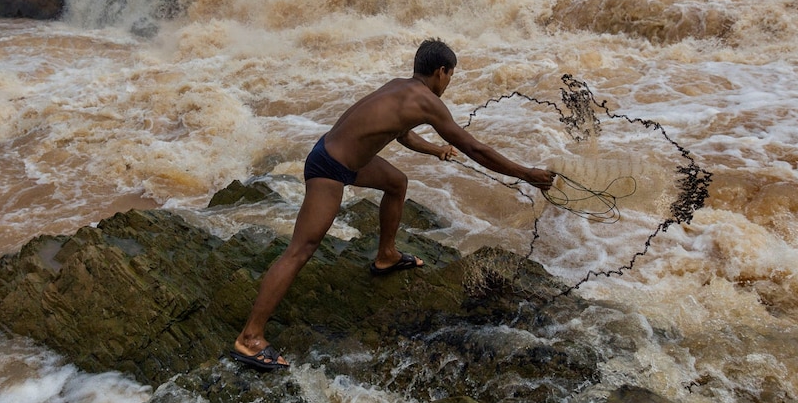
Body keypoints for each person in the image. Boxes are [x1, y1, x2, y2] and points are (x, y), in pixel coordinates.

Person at [229, 38, 556, 371]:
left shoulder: (400, 88)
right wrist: (526, 174)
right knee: (301, 249)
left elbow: (402, 134)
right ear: (441, 72)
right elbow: (476, 149)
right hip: (328, 166)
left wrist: (435, 150)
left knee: (397, 183)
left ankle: (386, 256)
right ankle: (250, 338)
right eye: (451, 76)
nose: (449, 83)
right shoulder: (428, 102)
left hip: (340, 156)